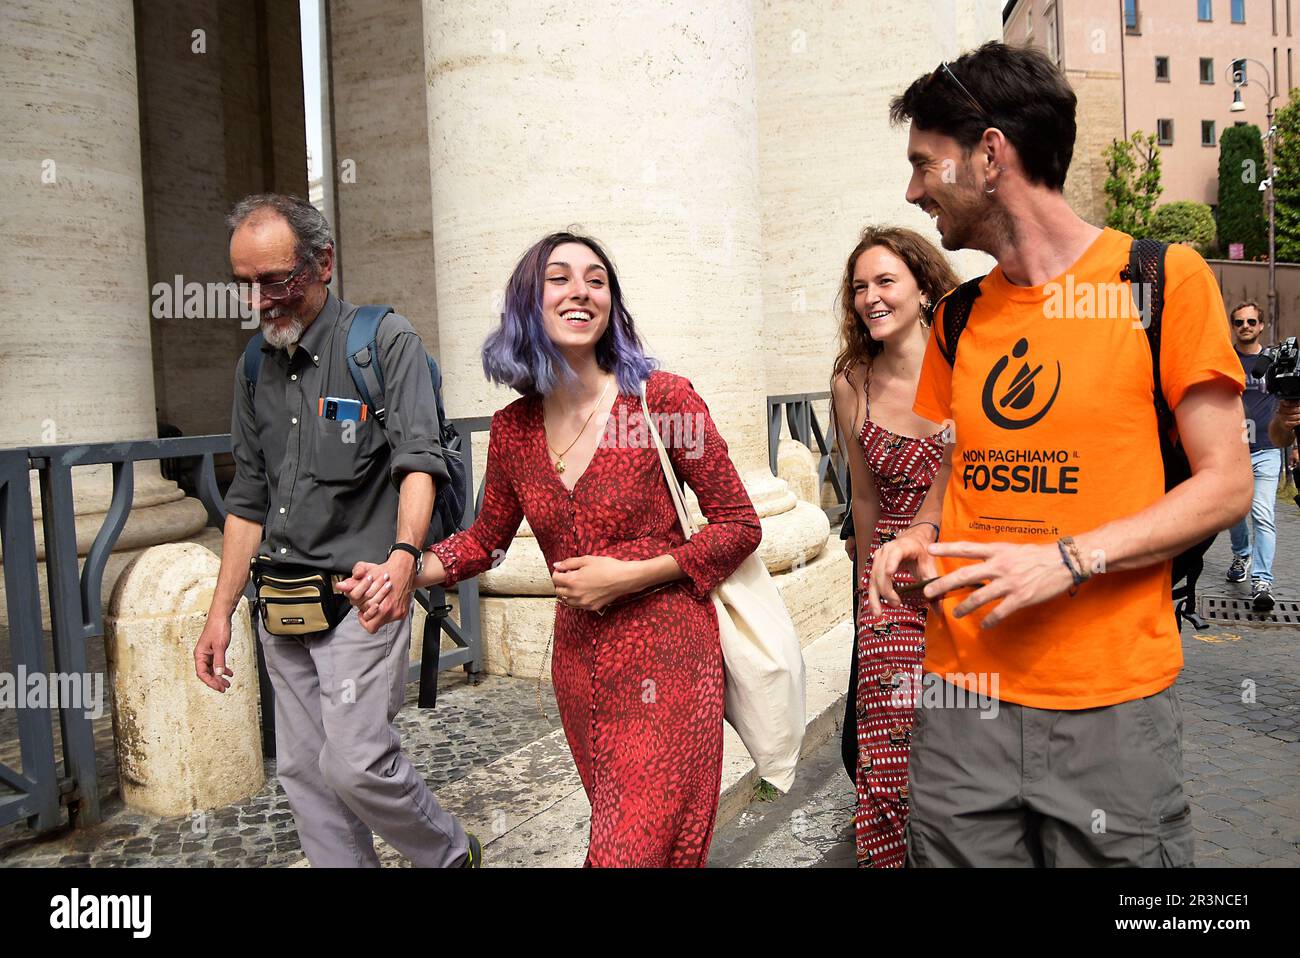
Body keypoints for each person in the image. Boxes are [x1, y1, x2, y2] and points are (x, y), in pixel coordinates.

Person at [870, 42, 1251, 867]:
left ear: (991, 153)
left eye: (924, 165)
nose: (912, 191)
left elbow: (1227, 485)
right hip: (962, 696)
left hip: (1109, 701)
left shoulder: (1163, 280)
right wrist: (919, 534)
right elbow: (957, 460)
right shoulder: (958, 317)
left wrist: (1066, 560)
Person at [338, 231, 761, 867]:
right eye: (559, 278)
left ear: (611, 303)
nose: (581, 290)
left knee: (624, 854)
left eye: (596, 279)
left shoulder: (661, 400)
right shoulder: (511, 431)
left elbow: (738, 524)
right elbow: (484, 541)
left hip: (669, 660)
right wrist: (408, 570)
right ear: (527, 305)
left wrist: (632, 575)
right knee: (650, 847)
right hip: (580, 670)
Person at [194, 193, 479, 868]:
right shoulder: (254, 366)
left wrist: (405, 558)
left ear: (324, 263)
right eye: (246, 285)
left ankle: (448, 855)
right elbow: (248, 498)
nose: (260, 301)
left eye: (276, 281)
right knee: (305, 776)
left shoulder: (385, 343)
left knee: (353, 763)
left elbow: (419, 463)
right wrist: (219, 613)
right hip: (281, 603)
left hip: (361, 597)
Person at [830, 226, 960, 868]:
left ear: (923, 285)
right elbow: (862, 500)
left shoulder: (970, 362)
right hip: (889, 577)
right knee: (886, 750)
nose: (871, 298)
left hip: (965, 568)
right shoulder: (852, 379)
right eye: (860, 287)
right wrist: (866, 605)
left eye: (886, 281)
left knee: (964, 740)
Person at [1225, 301, 1281, 611]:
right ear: (1232, 327)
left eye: (1251, 321)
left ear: (1261, 326)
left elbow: (1289, 403)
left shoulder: (1273, 362)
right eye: (1238, 322)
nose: (1245, 326)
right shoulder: (1223, 359)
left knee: (1263, 515)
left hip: (1267, 451)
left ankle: (1263, 581)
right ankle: (1241, 553)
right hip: (1231, 451)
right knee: (1233, 513)